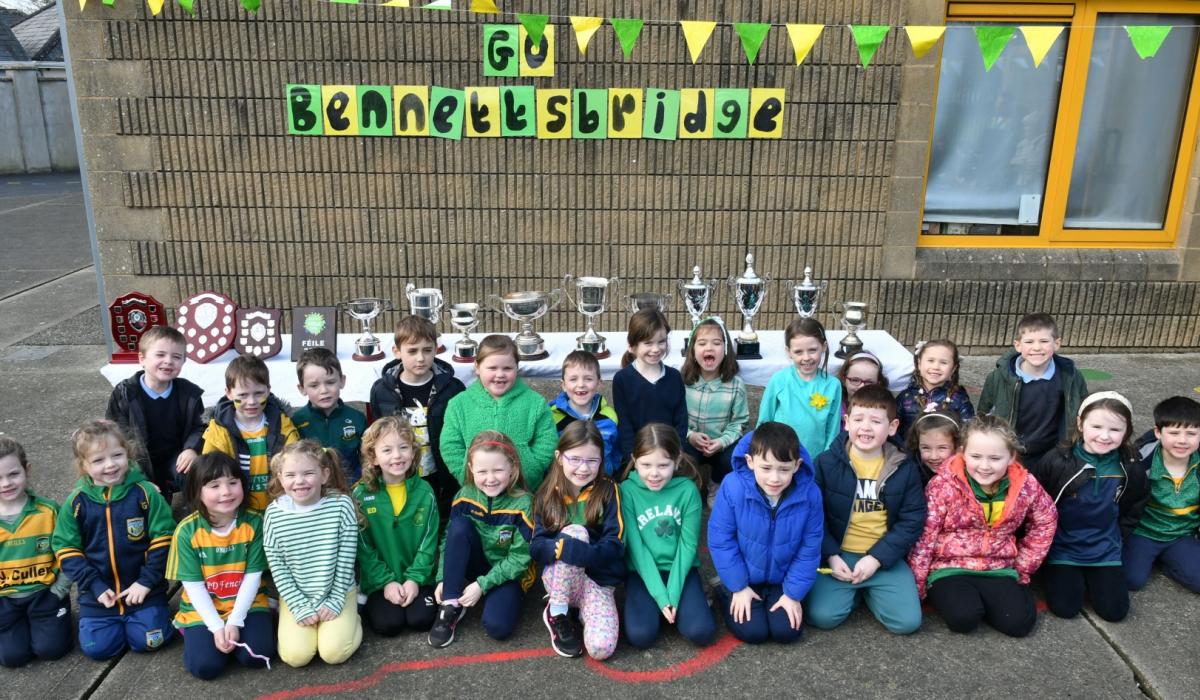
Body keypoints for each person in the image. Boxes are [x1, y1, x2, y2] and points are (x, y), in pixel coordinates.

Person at [908, 415, 1057, 637]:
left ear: (1011, 457)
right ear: (962, 453)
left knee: (1018, 625)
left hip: (999, 567)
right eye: (976, 456)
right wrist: (918, 585)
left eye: (995, 458)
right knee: (963, 619)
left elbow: (1045, 519)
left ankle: (997, 600)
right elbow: (925, 536)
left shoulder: (1026, 485)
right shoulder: (942, 485)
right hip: (949, 568)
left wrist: (1023, 566)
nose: (984, 466)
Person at [806, 385, 926, 635]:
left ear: (892, 427)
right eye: (859, 419)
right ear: (846, 422)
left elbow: (912, 520)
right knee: (822, 616)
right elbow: (813, 516)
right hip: (840, 555)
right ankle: (855, 590)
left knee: (906, 623)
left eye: (876, 421)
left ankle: (869, 589)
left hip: (882, 556)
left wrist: (877, 558)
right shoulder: (826, 463)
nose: (866, 427)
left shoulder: (904, 468)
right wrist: (830, 555)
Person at [53, 420, 175, 660]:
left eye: (116, 455)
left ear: (128, 454)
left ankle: (144, 616)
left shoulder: (146, 493)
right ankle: (114, 623)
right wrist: (95, 586)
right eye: (98, 460)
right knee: (98, 649)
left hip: (144, 591)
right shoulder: (76, 502)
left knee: (150, 641)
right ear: (83, 466)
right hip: (98, 596)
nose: (110, 465)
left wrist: (146, 582)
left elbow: (164, 538)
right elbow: (66, 548)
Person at [1031, 392, 1147, 622]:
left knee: (1114, 612)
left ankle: (1093, 577)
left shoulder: (1130, 466)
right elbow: (1033, 500)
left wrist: (1119, 537)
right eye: (1096, 426)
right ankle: (1061, 574)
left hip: (1105, 548)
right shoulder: (1057, 460)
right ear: (1080, 423)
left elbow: (1135, 504)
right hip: (1063, 547)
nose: (1105, 436)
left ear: (1127, 432)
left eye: (1115, 430)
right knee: (1066, 609)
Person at [707, 422, 822, 644]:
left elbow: (809, 548)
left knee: (787, 632)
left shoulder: (810, 495)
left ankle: (777, 596)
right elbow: (721, 540)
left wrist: (793, 594)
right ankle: (724, 591)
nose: (775, 478)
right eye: (766, 468)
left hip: (783, 577)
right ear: (750, 462)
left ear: (797, 465)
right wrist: (738, 586)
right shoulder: (733, 487)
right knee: (753, 633)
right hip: (744, 576)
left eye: (784, 469)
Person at [166, 452, 274, 679]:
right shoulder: (187, 531)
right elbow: (194, 587)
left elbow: (253, 578)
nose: (226, 492)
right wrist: (216, 627)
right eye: (214, 486)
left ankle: (239, 634)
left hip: (248, 602)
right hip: (204, 608)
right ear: (197, 492)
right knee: (206, 667)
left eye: (233, 483)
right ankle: (197, 635)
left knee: (256, 655)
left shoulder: (254, 523)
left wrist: (234, 621)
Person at [429, 431, 535, 648]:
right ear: (470, 469)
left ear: (512, 468)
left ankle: (487, 593)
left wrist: (482, 585)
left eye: (498, 470)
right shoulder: (464, 495)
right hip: (476, 563)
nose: (490, 478)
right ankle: (450, 605)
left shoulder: (524, 504)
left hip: (508, 573)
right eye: (482, 471)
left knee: (498, 628)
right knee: (459, 526)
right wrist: (443, 578)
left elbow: (519, 559)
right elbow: (450, 539)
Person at [531, 421, 625, 660]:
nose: (583, 468)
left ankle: (584, 611)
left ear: (601, 461)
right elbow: (537, 547)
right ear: (559, 457)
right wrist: (562, 547)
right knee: (574, 533)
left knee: (601, 649)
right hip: (560, 583)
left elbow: (616, 544)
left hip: (596, 582)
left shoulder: (608, 490)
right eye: (575, 459)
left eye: (592, 461)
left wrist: (582, 554)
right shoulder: (546, 494)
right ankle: (558, 612)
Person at [263, 441, 362, 667]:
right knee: (296, 657)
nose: (299, 481)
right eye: (290, 475)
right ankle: (307, 622)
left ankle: (354, 614)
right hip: (296, 595)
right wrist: (298, 605)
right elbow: (278, 566)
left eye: (308, 473)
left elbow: (346, 561)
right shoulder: (274, 514)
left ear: (324, 474)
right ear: (280, 477)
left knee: (333, 653)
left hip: (339, 591)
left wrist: (336, 599)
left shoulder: (340, 505)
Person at [619, 423, 715, 648]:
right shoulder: (627, 491)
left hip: (680, 567)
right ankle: (659, 609)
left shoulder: (688, 491)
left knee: (701, 632)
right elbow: (637, 549)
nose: (654, 473)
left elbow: (688, 546)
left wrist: (672, 594)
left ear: (677, 460)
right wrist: (662, 598)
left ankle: (695, 599)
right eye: (646, 465)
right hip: (642, 571)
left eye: (663, 465)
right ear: (634, 460)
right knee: (640, 636)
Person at [370, 315, 466, 514]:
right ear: (397, 352)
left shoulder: (453, 389)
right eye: (412, 351)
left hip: (442, 475)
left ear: (436, 349)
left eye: (427, 350)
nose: (420, 358)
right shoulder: (381, 391)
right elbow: (378, 435)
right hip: (401, 473)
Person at [353, 418, 439, 637]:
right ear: (373, 456)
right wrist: (386, 582)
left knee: (421, 619)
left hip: (417, 577)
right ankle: (369, 597)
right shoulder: (361, 495)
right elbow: (364, 549)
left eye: (403, 447)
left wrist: (414, 580)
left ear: (413, 452)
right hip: (380, 581)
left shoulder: (425, 492)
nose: (397, 456)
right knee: (389, 625)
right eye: (387, 450)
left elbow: (428, 543)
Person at [440, 335, 558, 490]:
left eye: (507, 368)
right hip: (476, 492)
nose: (500, 374)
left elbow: (546, 441)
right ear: (477, 367)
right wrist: (466, 475)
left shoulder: (535, 403)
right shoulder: (459, 404)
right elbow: (450, 445)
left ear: (517, 367)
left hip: (524, 491)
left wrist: (531, 470)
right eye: (492, 368)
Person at [105, 325, 205, 498]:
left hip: (176, 458)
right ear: (142, 359)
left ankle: (197, 515)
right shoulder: (125, 394)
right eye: (160, 355)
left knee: (195, 472)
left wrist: (191, 449)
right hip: (137, 463)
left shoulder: (189, 394)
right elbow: (115, 434)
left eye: (176, 357)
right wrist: (136, 476)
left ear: (183, 361)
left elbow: (200, 427)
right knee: (147, 508)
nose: (168, 361)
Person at [978, 313, 1089, 465]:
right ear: (1018, 345)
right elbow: (983, 414)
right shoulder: (997, 378)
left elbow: (1083, 412)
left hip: (1052, 454)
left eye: (1044, 341)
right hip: (1010, 453)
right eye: (1029, 341)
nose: (1036, 347)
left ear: (1057, 343)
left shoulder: (1070, 377)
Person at [0, 437, 72, 667]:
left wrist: (58, 591)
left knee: (51, 650)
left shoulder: (48, 511)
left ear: (26, 470)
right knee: (12, 658)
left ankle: (48, 620)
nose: (6, 483)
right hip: (5, 600)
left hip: (45, 594)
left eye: (13, 474)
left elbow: (69, 552)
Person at [202, 353, 299, 510]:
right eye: (243, 395)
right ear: (229, 393)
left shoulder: (282, 425)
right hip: (238, 511)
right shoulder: (218, 431)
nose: (252, 401)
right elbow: (209, 472)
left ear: (268, 390)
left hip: (279, 507)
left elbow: (295, 462)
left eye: (258, 393)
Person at [1123, 396, 1200, 592]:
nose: (1182, 440)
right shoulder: (1141, 462)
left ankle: (1169, 560)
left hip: (1182, 534)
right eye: (1174, 433)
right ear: (1158, 432)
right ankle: (1151, 557)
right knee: (1131, 581)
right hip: (1143, 532)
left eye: (1191, 433)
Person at [680, 318, 748, 490]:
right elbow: (676, 417)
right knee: (680, 453)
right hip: (692, 442)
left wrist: (722, 442)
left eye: (716, 343)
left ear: (725, 349)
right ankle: (690, 486)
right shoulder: (682, 383)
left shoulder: (735, 385)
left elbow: (739, 422)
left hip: (721, 445)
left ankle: (716, 482)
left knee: (734, 456)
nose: (709, 348)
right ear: (692, 350)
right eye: (702, 343)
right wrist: (690, 436)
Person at [758, 318, 842, 457]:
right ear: (788, 351)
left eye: (812, 350)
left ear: (824, 346)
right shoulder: (779, 380)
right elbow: (764, 421)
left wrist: (825, 460)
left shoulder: (833, 385)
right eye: (798, 352)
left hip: (815, 459)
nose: (806, 357)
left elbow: (833, 430)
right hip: (780, 458)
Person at [612, 309, 688, 463]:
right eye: (648, 343)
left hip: (670, 455)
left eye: (661, 341)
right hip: (637, 457)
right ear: (632, 345)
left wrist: (677, 453)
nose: (656, 349)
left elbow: (681, 421)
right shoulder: (622, 379)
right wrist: (632, 459)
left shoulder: (674, 377)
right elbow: (624, 424)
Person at [292, 347, 367, 482]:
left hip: (353, 488)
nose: (324, 390)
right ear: (302, 388)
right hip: (314, 491)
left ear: (342, 381)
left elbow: (368, 458)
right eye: (314, 385)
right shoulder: (296, 421)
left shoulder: (357, 418)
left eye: (330, 382)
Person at [548, 350, 620, 476]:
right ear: (563, 385)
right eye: (573, 379)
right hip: (566, 484)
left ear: (599, 383)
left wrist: (611, 469)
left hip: (601, 484)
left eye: (588, 379)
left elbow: (616, 449)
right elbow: (548, 453)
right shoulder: (552, 416)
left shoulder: (610, 417)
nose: (581, 385)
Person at [896, 339, 974, 440]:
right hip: (908, 453)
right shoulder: (905, 397)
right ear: (919, 364)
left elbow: (968, 431)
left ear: (953, 368)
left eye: (943, 362)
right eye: (930, 361)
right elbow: (893, 430)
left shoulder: (959, 398)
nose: (936, 367)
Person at [905, 411, 962, 484]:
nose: (934, 457)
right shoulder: (909, 475)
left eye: (942, 448)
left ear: (956, 446)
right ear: (916, 445)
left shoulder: (966, 477)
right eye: (926, 448)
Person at [835, 350, 887, 418]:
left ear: (878, 384)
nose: (861, 387)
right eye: (855, 380)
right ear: (844, 380)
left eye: (869, 382)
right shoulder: (833, 408)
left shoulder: (885, 411)